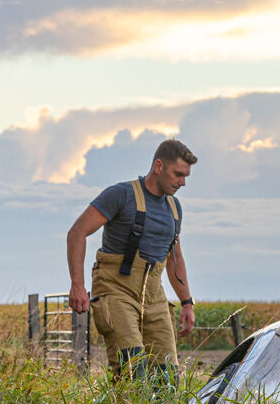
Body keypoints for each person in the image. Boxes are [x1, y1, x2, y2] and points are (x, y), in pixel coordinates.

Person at [67, 139, 198, 376]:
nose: (183, 182)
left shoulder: (174, 208)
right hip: (116, 290)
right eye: (178, 174)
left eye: (186, 176)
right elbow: (77, 232)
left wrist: (187, 302)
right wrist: (77, 285)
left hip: (155, 296)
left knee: (166, 377)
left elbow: (173, 258)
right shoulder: (120, 195)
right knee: (132, 370)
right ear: (158, 166)